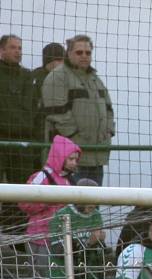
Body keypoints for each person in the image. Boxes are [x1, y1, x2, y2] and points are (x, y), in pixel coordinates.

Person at [41, 35, 114, 184]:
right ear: (68, 53)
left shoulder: (95, 79)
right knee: (71, 205)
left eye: (88, 53)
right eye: (79, 52)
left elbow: (108, 110)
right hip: (69, 160)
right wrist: (77, 141)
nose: (84, 56)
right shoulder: (57, 77)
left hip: (96, 156)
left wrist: (108, 132)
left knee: (92, 205)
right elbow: (57, 115)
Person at [20, 135, 81, 265]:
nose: (74, 163)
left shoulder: (69, 180)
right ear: (60, 157)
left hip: (61, 239)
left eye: (76, 159)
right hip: (39, 239)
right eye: (71, 159)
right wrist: (48, 200)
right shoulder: (42, 176)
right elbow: (23, 202)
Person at [0, 35, 36, 193]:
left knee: (20, 192)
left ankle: (17, 219)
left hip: (22, 141)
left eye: (20, 48)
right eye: (13, 47)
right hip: (1, 140)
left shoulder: (27, 76)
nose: (18, 51)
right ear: (2, 50)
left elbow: (33, 108)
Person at [30, 42, 64, 141]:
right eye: (59, 59)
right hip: (37, 132)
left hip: (60, 133)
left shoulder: (65, 79)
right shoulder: (34, 78)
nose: (63, 63)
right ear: (50, 61)